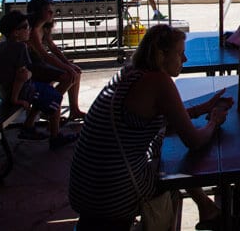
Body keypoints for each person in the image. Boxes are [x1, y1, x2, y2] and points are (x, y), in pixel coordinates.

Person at [69, 24, 230, 230]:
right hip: (111, 193)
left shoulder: (131, 73)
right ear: (161, 55)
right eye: (179, 53)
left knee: (165, 157)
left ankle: (206, 208)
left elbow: (168, 120)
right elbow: (194, 141)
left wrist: (202, 108)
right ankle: (205, 210)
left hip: (84, 187)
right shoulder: (158, 81)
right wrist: (214, 121)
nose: (185, 60)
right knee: (172, 168)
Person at [0, 10, 78, 149]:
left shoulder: (0, 47)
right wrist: (16, 99)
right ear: (15, 33)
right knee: (54, 97)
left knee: (45, 90)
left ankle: (31, 127)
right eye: (25, 27)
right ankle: (55, 137)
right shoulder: (20, 47)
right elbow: (22, 76)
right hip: (18, 92)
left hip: (5, 92)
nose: (28, 29)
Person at [26, 0, 85, 121]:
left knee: (76, 72)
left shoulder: (44, 28)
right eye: (48, 10)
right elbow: (45, 56)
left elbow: (53, 48)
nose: (52, 13)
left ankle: (74, 110)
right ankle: (48, 106)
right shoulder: (32, 32)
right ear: (38, 12)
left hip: (40, 65)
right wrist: (67, 68)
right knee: (68, 77)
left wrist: (68, 64)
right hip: (32, 68)